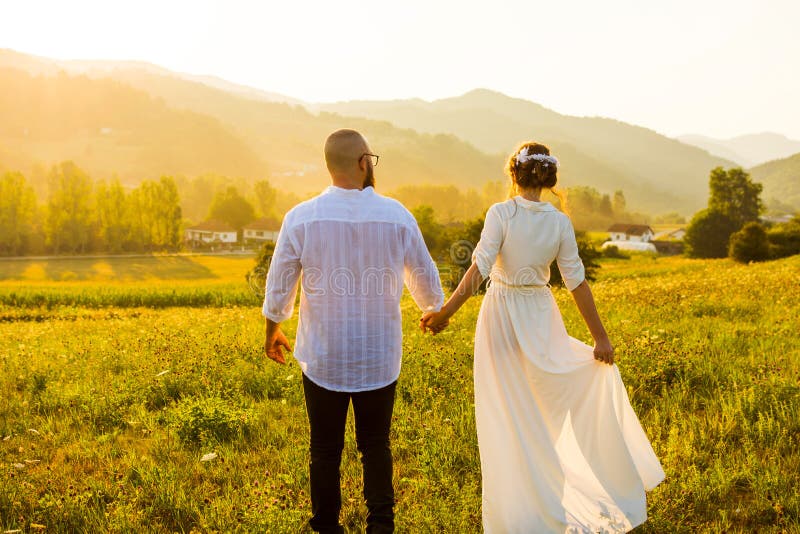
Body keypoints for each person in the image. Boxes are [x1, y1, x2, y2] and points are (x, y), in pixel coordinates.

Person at [421, 142, 665, 532]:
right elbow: (576, 282)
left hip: (501, 313)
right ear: (548, 177)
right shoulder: (559, 222)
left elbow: (479, 268)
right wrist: (601, 339)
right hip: (539, 314)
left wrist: (445, 313)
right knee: (542, 410)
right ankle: (542, 497)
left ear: (513, 173)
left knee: (506, 413)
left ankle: (521, 509)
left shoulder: (501, 213)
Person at [262, 129, 445, 533]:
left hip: (323, 355)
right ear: (364, 162)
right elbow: (426, 280)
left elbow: (279, 284)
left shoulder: (301, 217)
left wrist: (272, 330)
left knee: (324, 449)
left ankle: (326, 525)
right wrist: (434, 311)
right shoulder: (397, 215)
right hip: (379, 356)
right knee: (375, 446)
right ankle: (381, 525)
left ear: (330, 166)